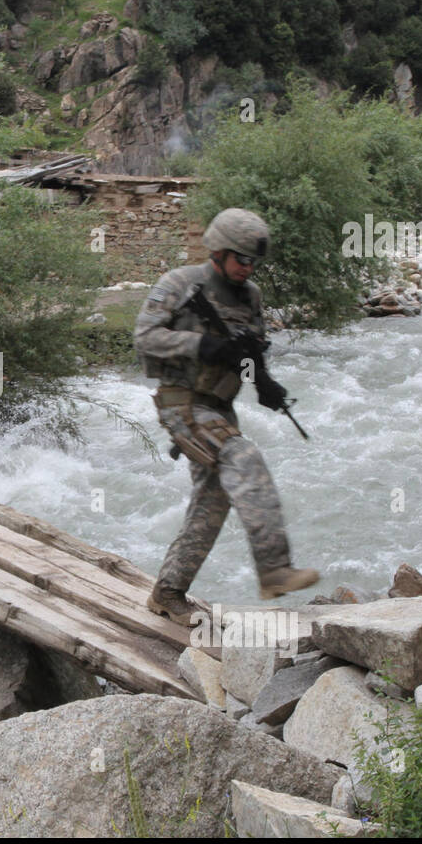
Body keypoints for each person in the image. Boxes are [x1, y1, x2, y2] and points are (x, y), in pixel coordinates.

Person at [133, 207, 319, 625]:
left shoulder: (250, 296)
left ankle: (168, 592)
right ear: (217, 251)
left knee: (212, 501)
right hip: (181, 403)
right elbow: (144, 337)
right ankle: (275, 571)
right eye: (241, 259)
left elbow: (248, 352)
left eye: (254, 262)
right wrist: (202, 346)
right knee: (246, 459)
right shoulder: (180, 284)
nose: (247, 268)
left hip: (219, 407)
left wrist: (264, 383)